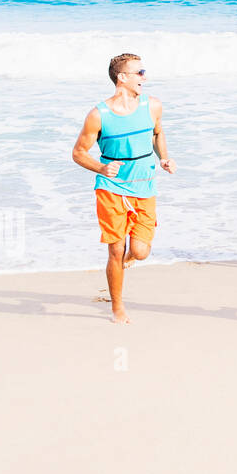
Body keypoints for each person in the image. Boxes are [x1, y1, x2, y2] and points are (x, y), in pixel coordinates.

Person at [70, 53, 176, 324]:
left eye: (144, 72)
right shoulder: (98, 115)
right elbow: (79, 153)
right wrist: (101, 168)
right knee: (115, 250)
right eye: (139, 73)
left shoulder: (153, 106)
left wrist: (163, 156)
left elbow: (157, 133)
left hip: (144, 184)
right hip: (111, 186)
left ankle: (134, 249)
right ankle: (117, 307)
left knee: (140, 251)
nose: (145, 77)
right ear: (122, 77)